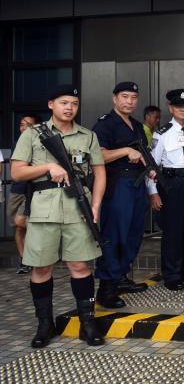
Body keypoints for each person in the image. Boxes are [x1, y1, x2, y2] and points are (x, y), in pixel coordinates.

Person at [11, 85, 106, 348]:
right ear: (51, 104)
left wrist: (95, 205)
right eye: (64, 102)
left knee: (80, 267)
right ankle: (45, 324)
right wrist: (48, 166)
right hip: (44, 210)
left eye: (74, 103)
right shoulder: (32, 135)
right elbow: (17, 172)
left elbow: (99, 173)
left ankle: (88, 323)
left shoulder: (87, 136)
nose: (69, 108)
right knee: (41, 267)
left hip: (79, 209)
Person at [92, 82, 151, 308]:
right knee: (114, 234)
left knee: (133, 233)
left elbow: (143, 153)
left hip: (137, 184)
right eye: (125, 96)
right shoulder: (105, 124)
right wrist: (125, 151)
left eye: (134, 97)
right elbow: (98, 155)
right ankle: (106, 288)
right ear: (114, 98)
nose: (129, 101)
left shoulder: (136, 125)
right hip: (117, 185)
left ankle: (120, 277)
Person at [147, 89, 184, 291]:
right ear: (171, 108)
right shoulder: (161, 134)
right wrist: (153, 191)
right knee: (173, 231)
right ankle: (172, 273)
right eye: (179, 106)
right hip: (172, 184)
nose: (183, 110)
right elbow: (151, 166)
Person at [9, 113, 40, 274]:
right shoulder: (17, 144)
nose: (24, 128)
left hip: (33, 190)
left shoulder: (40, 143)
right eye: (22, 124)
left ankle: (34, 257)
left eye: (28, 125)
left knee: (25, 222)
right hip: (17, 189)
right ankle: (24, 260)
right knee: (19, 227)